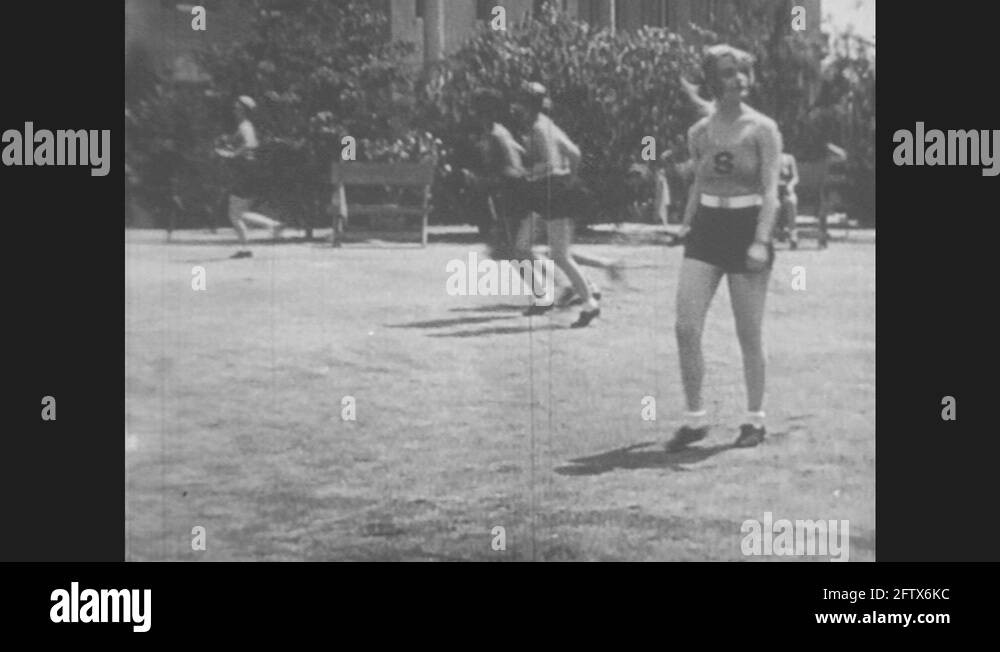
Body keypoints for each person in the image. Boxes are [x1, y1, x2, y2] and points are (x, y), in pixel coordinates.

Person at [664, 45, 783, 451]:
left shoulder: (762, 128)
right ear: (714, 81)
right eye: (729, 72)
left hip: (747, 226)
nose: (739, 79)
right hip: (707, 229)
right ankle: (695, 418)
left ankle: (754, 419)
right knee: (685, 326)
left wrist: (761, 240)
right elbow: (699, 180)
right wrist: (685, 222)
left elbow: (771, 190)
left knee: (748, 331)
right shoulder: (699, 132)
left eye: (743, 71)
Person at [517, 83, 617, 327]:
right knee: (521, 247)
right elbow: (574, 153)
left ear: (529, 105)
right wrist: (569, 177)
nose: (517, 107)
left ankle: (589, 303)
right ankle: (550, 295)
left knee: (560, 255)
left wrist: (528, 172)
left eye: (521, 102)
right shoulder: (544, 124)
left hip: (551, 191)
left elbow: (550, 165)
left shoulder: (539, 129)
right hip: (548, 192)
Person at [216, 96, 285, 259]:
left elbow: (250, 144)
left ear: (244, 110)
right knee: (238, 213)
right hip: (248, 171)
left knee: (235, 214)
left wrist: (233, 154)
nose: (234, 110)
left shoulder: (245, 126)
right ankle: (261, 235)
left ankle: (269, 228)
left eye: (237, 108)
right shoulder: (245, 126)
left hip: (245, 172)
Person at [776, 152, 799, 248]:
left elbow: (795, 177)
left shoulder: (789, 158)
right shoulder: (767, 157)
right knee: (773, 205)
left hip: (786, 190)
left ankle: (793, 235)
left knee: (791, 202)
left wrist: (790, 185)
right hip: (773, 191)